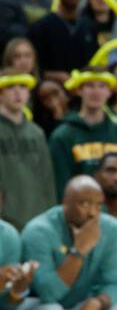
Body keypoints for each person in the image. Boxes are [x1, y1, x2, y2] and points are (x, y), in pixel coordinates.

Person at [22, 175, 117, 310]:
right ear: (65, 202)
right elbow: (49, 293)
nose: (92, 213)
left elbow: (115, 283)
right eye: (84, 204)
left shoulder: (111, 228)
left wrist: (96, 303)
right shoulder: (38, 231)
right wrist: (79, 251)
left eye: (98, 205)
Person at [48, 71, 117, 196]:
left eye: (102, 86)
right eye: (90, 86)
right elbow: (60, 185)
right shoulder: (62, 136)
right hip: (79, 211)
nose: (96, 92)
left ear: (110, 92)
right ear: (79, 90)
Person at [0, 70, 56, 229]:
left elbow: (48, 181)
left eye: (23, 87)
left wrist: (50, 218)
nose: (18, 92)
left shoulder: (37, 133)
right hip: (4, 223)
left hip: (37, 220)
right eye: (10, 87)